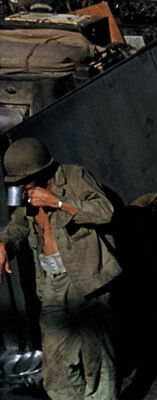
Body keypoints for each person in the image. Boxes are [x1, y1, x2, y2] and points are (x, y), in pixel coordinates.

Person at [0, 137, 122, 400]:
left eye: (24, 181)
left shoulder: (75, 177)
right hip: (52, 282)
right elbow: (19, 225)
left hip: (86, 279)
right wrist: (4, 244)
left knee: (97, 364)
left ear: (42, 171)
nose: (19, 187)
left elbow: (107, 211)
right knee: (56, 373)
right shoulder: (24, 193)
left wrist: (57, 202)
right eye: (14, 182)